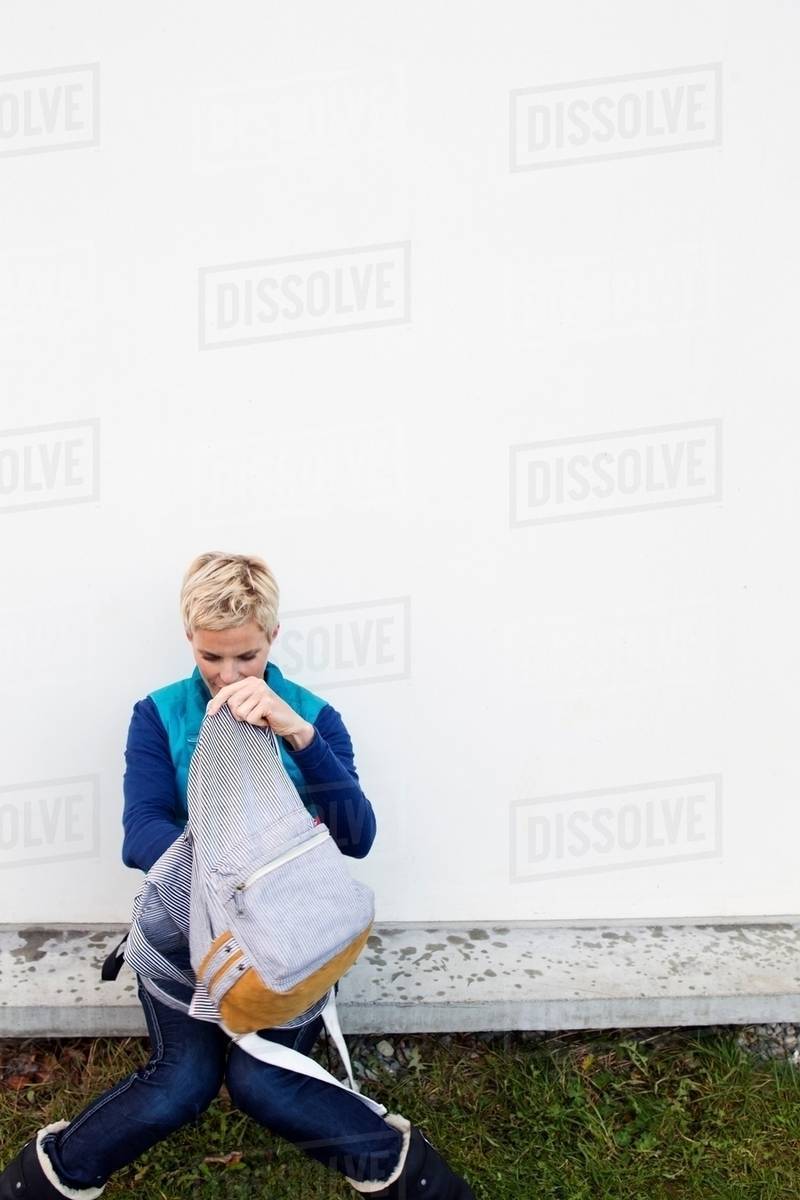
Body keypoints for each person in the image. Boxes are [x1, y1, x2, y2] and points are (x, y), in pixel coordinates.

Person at [0, 551, 475, 1199]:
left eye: (246, 657)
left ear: (273, 639)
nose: (228, 675)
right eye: (210, 658)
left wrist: (300, 736)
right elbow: (142, 830)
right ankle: (34, 1186)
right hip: (189, 937)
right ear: (190, 642)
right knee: (179, 1084)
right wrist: (231, 881)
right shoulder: (159, 714)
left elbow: (357, 837)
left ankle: (420, 1182)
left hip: (287, 938)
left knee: (265, 1082)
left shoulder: (312, 714)